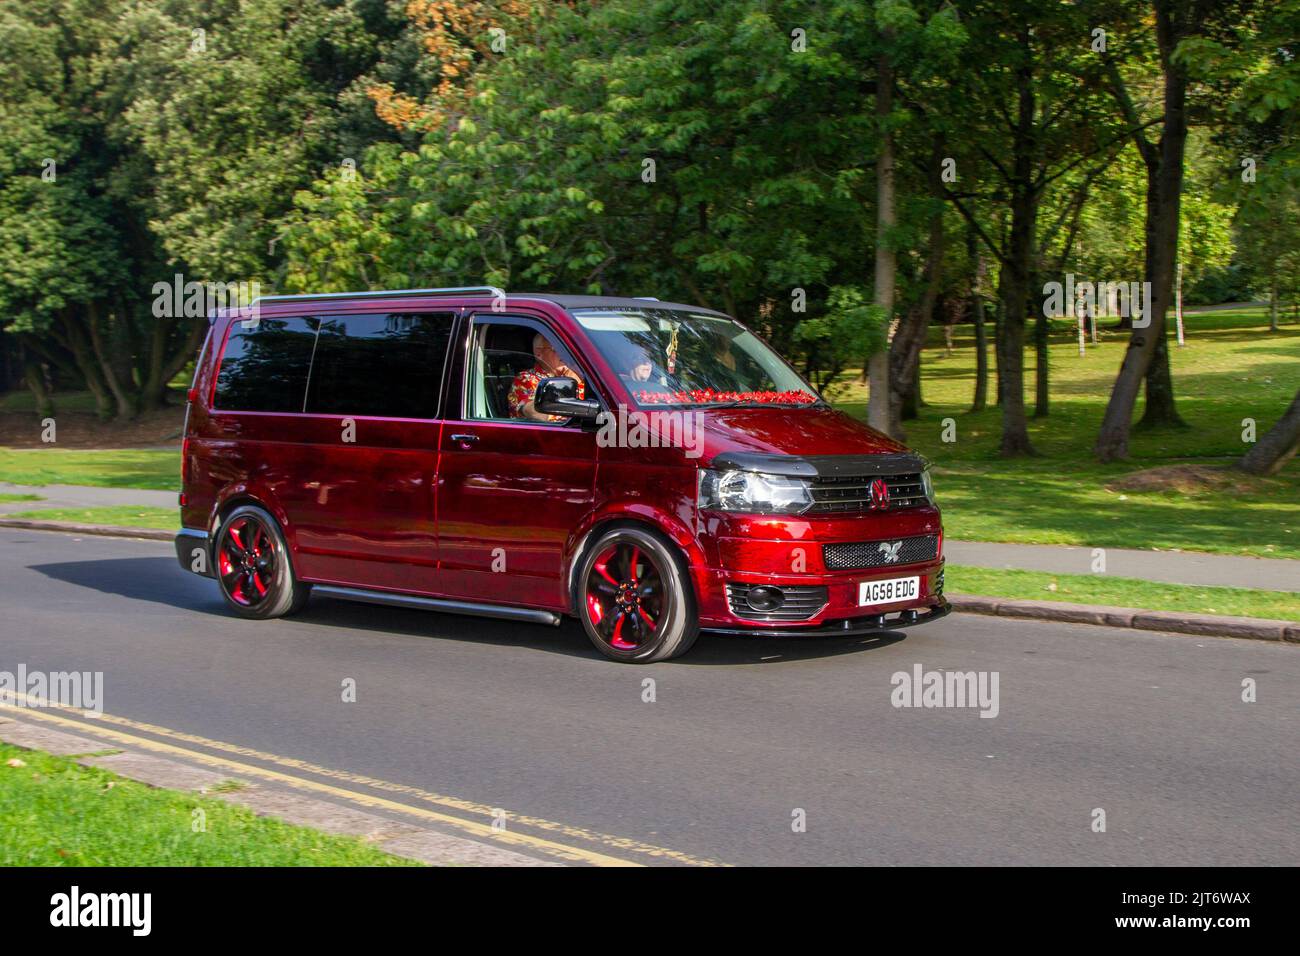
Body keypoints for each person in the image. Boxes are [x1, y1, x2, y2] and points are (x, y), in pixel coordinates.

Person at [508, 332, 585, 422]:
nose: (565, 354)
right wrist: (564, 385)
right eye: (558, 349)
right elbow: (536, 414)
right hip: (554, 432)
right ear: (539, 354)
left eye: (567, 350)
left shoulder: (578, 375)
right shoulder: (526, 379)